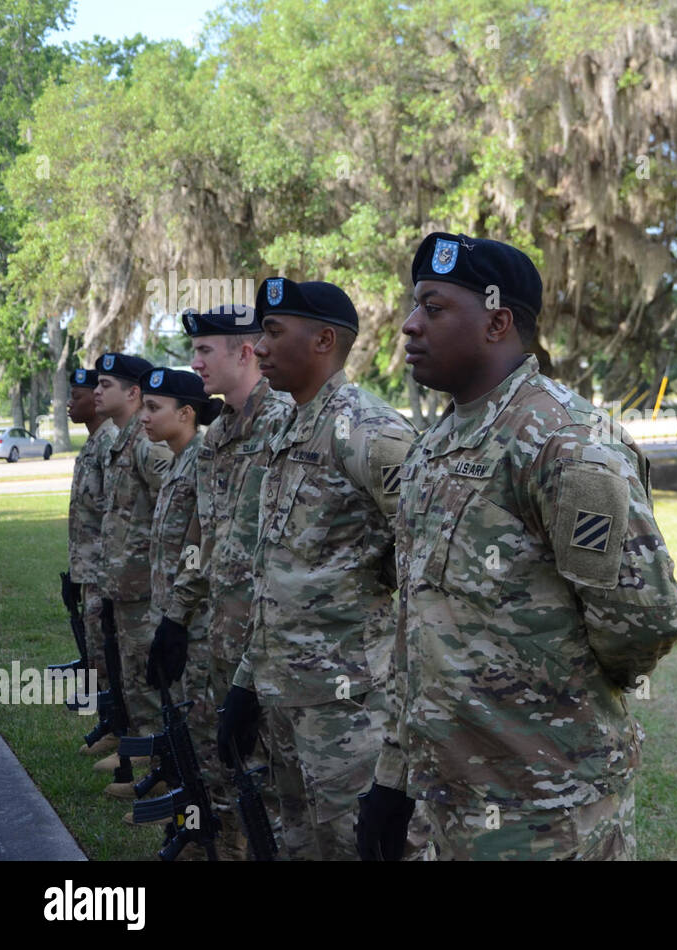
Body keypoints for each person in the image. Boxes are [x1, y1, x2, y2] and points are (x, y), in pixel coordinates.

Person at [356, 232, 677, 861]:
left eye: (433, 308)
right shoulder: (437, 444)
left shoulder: (563, 441)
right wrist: (394, 778)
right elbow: (418, 623)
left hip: (546, 808)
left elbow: (641, 622)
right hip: (445, 798)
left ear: (497, 322)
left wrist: (562, 697)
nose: (408, 325)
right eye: (413, 307)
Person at [217, 278, 416, 860]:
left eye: (274, 332)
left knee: (353, 847)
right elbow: (273, 570)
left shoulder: (372, 433)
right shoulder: (288, 426)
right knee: (295, 843)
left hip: (347, 707)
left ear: (324, 339)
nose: (260, 346)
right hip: (285, 694)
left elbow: (427, 560)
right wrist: (247, 682)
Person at [160, 304, 293, 858]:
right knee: (230, 771)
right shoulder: (216, 439)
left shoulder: (286, 424)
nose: (196, 362)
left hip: (282, 651)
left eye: (205, 350)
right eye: (194, 351)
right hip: (223, 640)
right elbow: (201, 540)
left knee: (282, 793)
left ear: (244, 351)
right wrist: (176, 614)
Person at [137, 368, 223, 811]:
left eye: (154, 408)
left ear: (186, 413)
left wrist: (178, 618)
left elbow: (201, 547)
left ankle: (213, 833)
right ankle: (189, 815)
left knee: (204, 735)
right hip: (174, 616)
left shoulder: (202, 459)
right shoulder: (178, 462)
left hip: (198, 624)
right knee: (183, 727)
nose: (144, 416)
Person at [91, 353, 173, 800]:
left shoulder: (145, 444)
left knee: (147, 678)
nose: (98, 391)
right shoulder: (124, 442)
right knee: (131, 675)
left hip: (144, 584)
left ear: (133, 392)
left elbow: (176, 505)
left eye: (106, 384)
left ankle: (154, 766)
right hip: (124, 582)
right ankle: (142, 757)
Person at [67, 368, 117, 734]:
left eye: (77, 395)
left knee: (107, 656)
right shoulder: (92, 444)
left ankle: (119, 729)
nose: (70, 403)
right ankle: (108, 724)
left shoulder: (109, 444)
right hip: (88, 570)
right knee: (95, 652)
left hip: (106, 571)